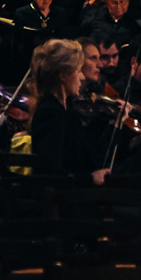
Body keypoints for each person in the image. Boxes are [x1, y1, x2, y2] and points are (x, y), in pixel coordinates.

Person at [30, 39, 110, 184]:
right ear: (63, 75)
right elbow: (49, 173)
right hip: (66, 200)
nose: (82, 77)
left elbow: (87, 155)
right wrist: (90, 178)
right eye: (78, 70)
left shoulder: (66, 110)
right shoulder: (50, 113)